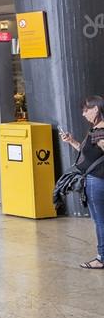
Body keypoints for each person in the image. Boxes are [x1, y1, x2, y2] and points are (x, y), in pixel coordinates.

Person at [60, 96, 104, 269]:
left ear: (96, 109)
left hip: (97, 181)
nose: (83, 114)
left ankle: (101, 258)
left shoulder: (99, 131)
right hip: (95, 180)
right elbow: (88, 155)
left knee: (100, 221)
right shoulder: (94, 131)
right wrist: (72, 141)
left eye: (86, 110)